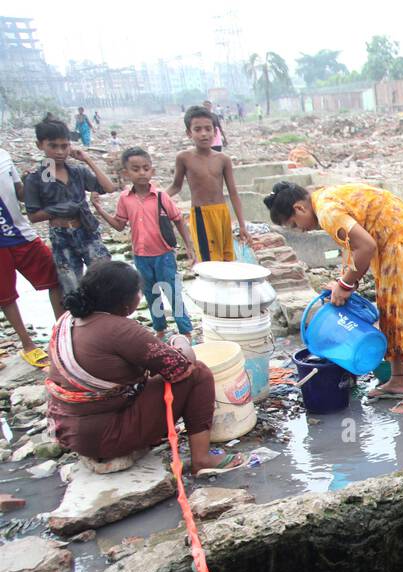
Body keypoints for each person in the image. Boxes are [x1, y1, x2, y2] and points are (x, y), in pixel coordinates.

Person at [44, 260, 244, 475]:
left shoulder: (66, 320)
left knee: (150, 377)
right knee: (199, 373)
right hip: (105, 437)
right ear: (126, 303)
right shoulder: (120, 330)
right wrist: (181, 341)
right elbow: (182, 367)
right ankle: (202, 459)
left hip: (70, 431)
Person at [264, 181, 403, 415]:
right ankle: (399, 379)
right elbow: (354, 246)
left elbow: (366, 246)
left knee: (402, 315)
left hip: (402, 242)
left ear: (299, 208)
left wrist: (346, 284)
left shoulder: (327, 210)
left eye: (294, 224)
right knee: (389, 310)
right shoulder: (325, 198)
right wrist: (343, 281)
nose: (300, 230)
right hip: (392, 243)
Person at [101, 148, 198, 341]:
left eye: (145, 168)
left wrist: (188, 246)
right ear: (126, 173)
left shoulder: (161, 196)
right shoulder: (125, 198)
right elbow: (119, 225)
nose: (142, 173)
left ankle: (185, 330)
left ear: (152, 171)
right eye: (136, 169)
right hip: (141, 255)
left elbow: (178, 220)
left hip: (164, 254)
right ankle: (160, 328)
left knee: (172, 293)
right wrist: (100, 210)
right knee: (152, 293)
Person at [23, 115, 114, 296]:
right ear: (40, 145)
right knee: (72, 287)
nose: (59, 152)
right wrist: (57, 210)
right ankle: (80, 322)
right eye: (53, 146)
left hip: (87, 231)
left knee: (106, 279)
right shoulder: (35, 178)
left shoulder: (77, 172)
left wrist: (87, 160)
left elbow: (108, 187)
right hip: (61, 236)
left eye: (64, 146)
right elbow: (33, 215)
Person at [0, 146, 61, 368]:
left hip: (20, 233)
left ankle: (60, 334)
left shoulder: (4, 155)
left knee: (55, 276)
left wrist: (31, 183)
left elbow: (20, 193)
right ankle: (27, 344)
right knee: (5, 296)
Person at [168, 106, 247, 262]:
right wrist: (157, 198)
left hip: (222, 213)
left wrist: (242, 225)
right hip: (201, 215)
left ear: (215, 132)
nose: (204, 134)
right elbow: (176, 186)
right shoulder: (184, 158)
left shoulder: (223, 159)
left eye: (208, 129)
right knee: (209, 262)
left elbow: (233, 193)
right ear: (189, 133)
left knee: (227, 259)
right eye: (197, 129)